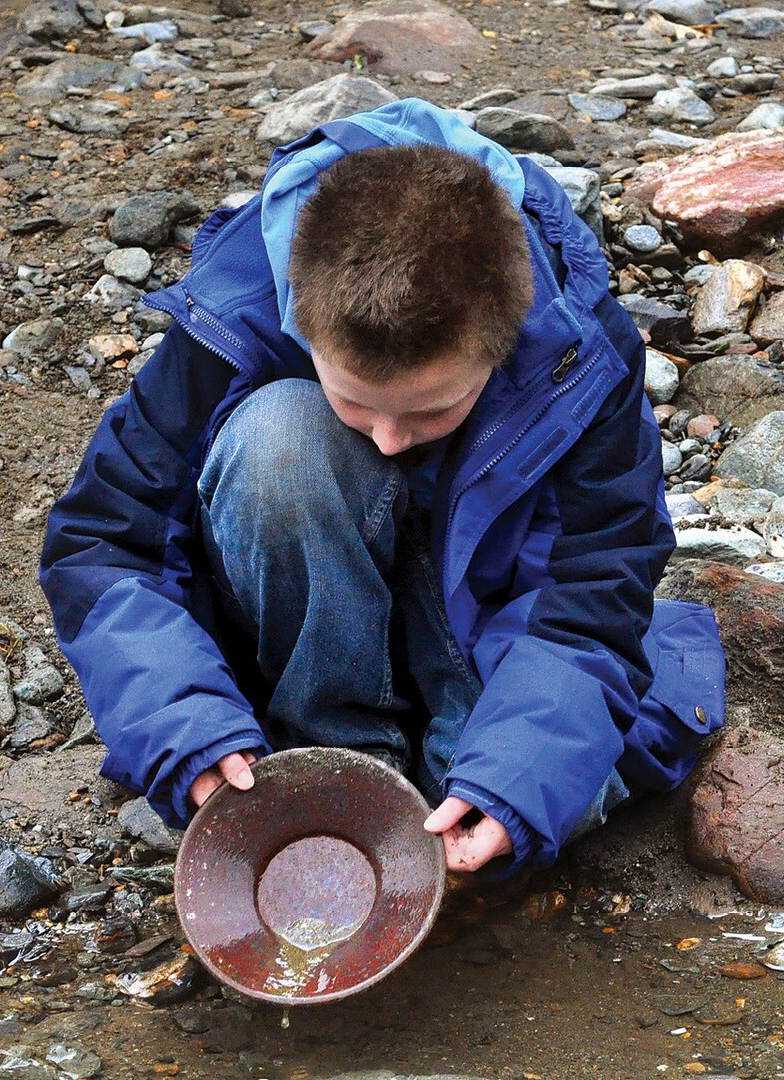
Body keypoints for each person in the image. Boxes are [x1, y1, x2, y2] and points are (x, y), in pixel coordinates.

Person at [39, 98, 724, 876]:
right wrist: (187, 729)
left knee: (534, 801)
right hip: (293, 635)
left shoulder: (580, 352)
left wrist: (513, 777)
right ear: (303, 319)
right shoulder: (236, 316)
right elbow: (102, 547)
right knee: (279, 440)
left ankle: (436, 778)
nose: (390, 439)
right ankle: (331, 765)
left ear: (499, 347)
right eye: (357, 401)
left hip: (490, 648)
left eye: (431, 409)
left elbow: (597, 589)